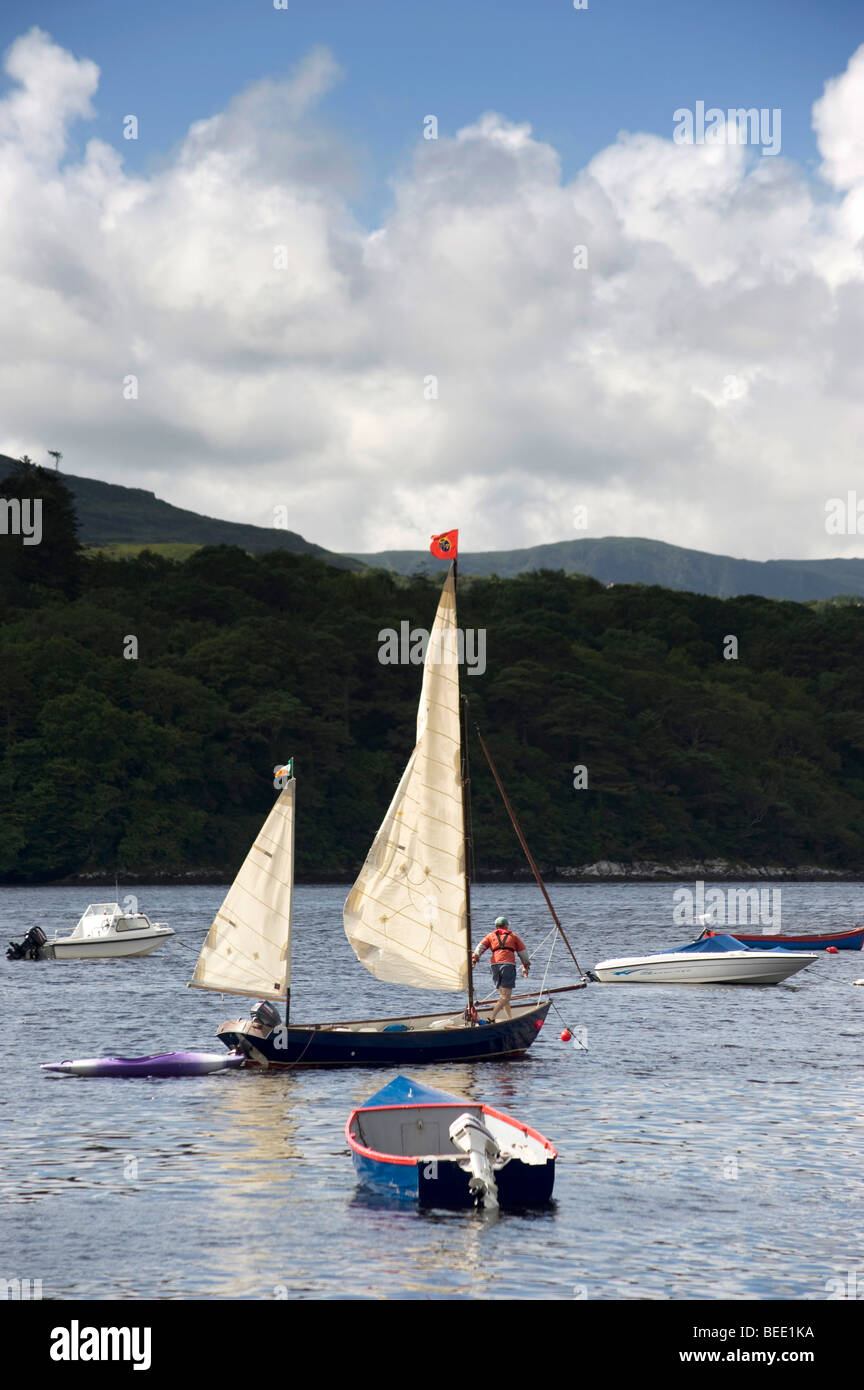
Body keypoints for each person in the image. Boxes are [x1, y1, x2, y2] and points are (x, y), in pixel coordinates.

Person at [471, 916, 530, 1022]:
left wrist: (474, 960)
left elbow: (479, 948)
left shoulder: (490, 936)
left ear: (496, 926)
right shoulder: (513, 936)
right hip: (507, 966)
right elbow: (523, 953)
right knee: (506, 997)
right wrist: (526, 966)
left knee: (503, 995)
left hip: (494, 966)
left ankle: (510, 1018)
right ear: (506, 926)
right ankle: (491, 1018)